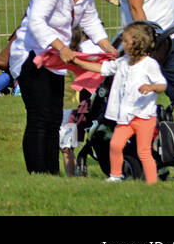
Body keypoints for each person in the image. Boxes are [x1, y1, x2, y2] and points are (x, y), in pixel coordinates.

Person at [14, 0, 117, 174]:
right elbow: (36, 21)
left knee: (52, 119)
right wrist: (60, 46)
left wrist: (108, 46)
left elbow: (90, 20)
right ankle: (36, 173)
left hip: (57, 61)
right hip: (32, 55)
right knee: (39, 118)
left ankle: (51, 174)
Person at [69, 21, 167, 183]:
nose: (122, 44)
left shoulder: (149, 64)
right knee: (115, 145)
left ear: (137, 44)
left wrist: (151, 87)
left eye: (126, 41)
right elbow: (103, 69)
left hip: (144, 117)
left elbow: (162, 85)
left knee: (144, 152)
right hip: (125, 117)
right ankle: (115, 176)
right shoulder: (123, 62)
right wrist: (78, 62)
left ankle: (152, 182)